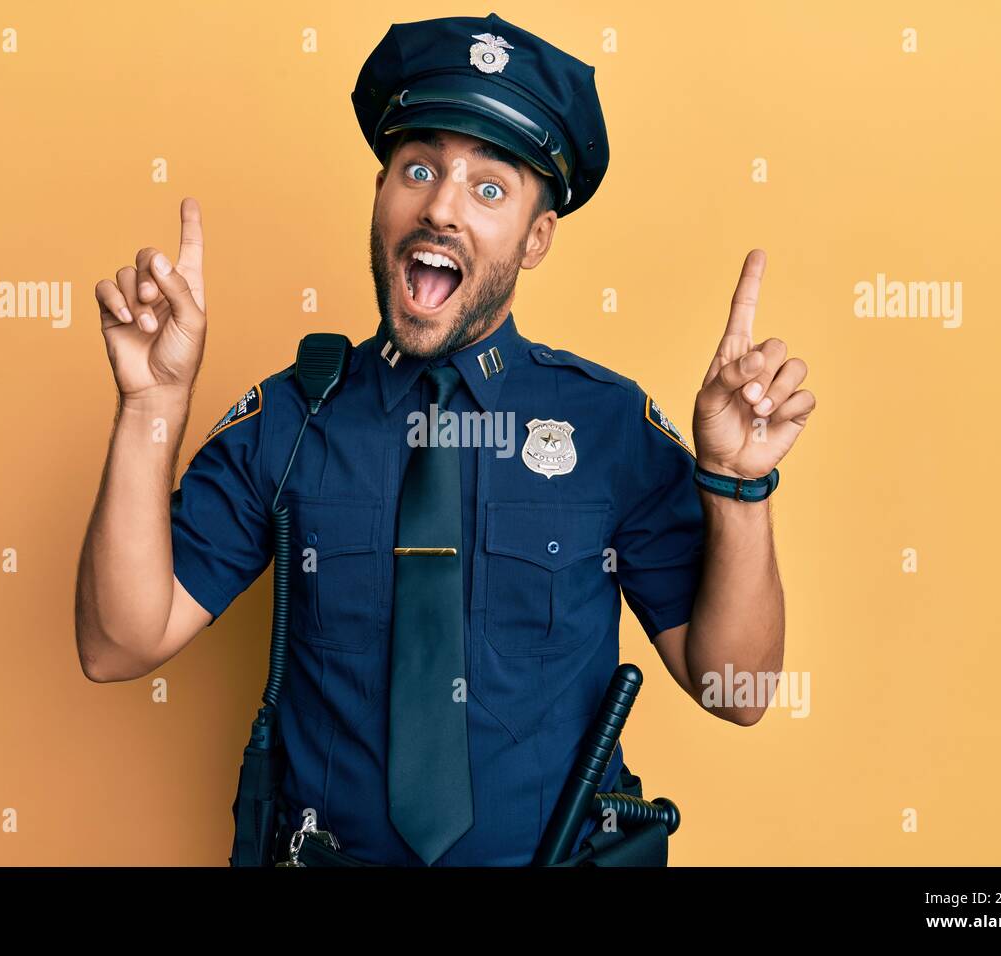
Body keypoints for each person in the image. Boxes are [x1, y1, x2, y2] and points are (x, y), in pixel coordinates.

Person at [75, 12, 815, 867]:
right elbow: (117, 643)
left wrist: (736, 484)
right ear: (382, 196)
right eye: (417, 169)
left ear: (537, 239)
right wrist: (150, 404)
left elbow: (741, 690)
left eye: (489, 189)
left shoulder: (608, 428)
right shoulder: (292, 415)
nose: (440, 208)